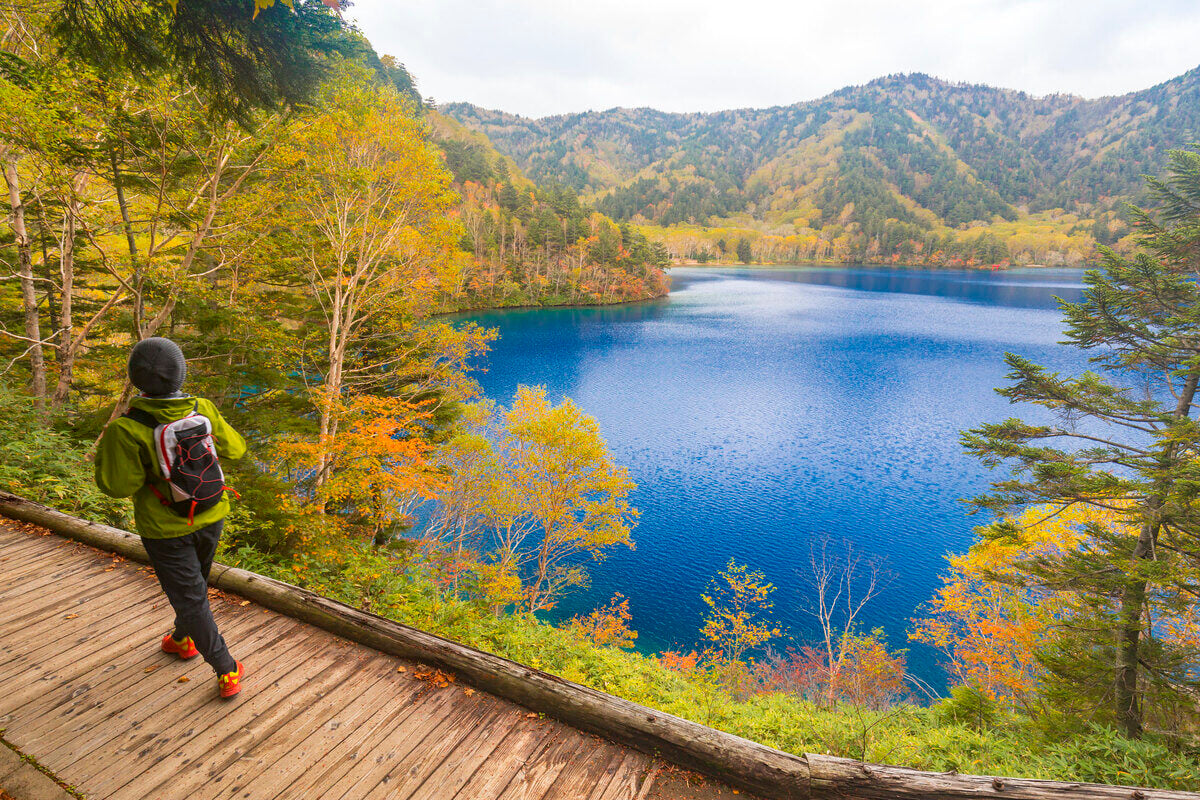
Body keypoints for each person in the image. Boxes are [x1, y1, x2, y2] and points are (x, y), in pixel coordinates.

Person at [95, 337, 248, 698]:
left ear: (135, 379)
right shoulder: (202, 408)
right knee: (193, 590)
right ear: (181, 374)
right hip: (211, 512)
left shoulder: (126, 428)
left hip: (164, 527)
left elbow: (118, 486)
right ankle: (182, 639)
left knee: (190, 596)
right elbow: (236, 448)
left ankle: (226, 668)